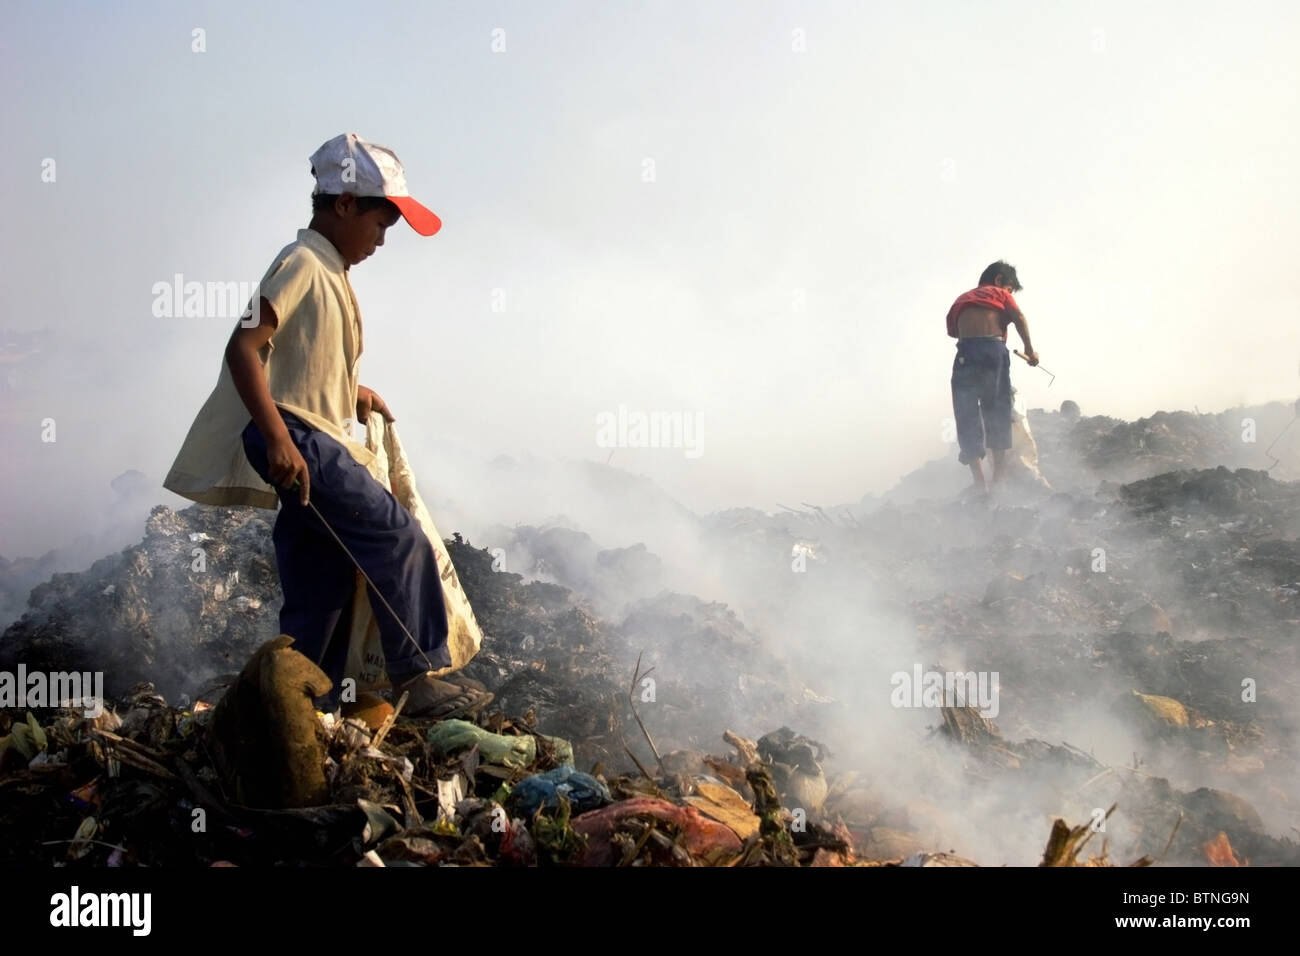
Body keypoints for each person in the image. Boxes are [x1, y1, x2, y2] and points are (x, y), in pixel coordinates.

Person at [164, 133, 490, 719]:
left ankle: (304, 704)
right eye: (381, 223)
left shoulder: (329, 269)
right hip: (299, 437)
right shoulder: (301, 263)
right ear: (344, 204)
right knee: (397, 538)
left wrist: (351, 391)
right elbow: (244, 347)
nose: (382, 239)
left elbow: (298, 358)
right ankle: (418, 678)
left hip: (307, 431)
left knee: (325, 580)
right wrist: (281, 438)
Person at [945, 260, 1040, 495]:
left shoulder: (961, 299)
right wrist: (1029, 350)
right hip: (993, 351)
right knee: (996, 411)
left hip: (965, 355)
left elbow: (953, 331)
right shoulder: (999, 293)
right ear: (999, 281)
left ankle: (980, 484)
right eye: (1010, 289)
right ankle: (999, 479)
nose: (1008, 293)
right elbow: (1019, 317)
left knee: (966, 416)